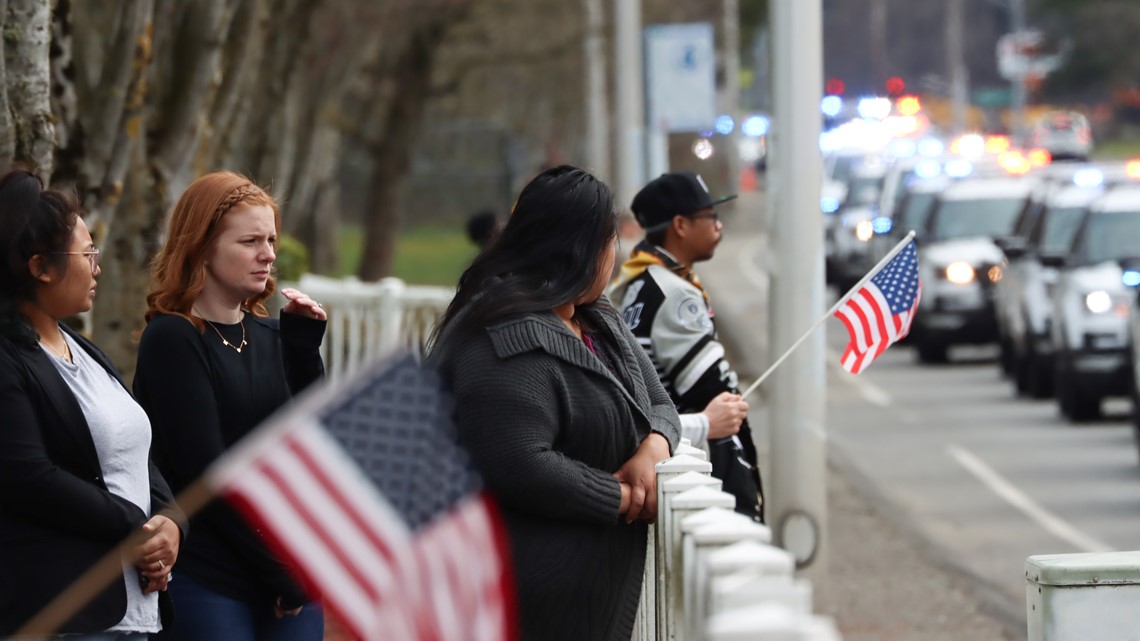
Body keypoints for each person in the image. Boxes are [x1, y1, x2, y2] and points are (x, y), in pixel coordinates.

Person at [428, 165, 681, 641]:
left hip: (587, 594)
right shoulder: (501, 332)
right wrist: (623, 498)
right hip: (517, 599)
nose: (614, 256)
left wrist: (654, 449)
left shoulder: (597, 318)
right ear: (582, 247)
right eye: (610, 242)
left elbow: (660, 404)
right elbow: (519, 460)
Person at [133, 171, 327, 641]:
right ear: (201, 246)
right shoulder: (174, 338)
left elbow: (314, 444)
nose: (269, 254)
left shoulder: (273, 335)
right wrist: (280, 571)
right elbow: (207, 474)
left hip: (285, 566)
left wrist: (304, 351)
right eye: (250, 241)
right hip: (211, 570)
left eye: (271, 240)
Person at [0, 168, 184, 638]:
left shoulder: (83, 348)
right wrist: (135, 527)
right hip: (64, 612)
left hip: (134, 610)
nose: (97, 265)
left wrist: (169, 522)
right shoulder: (9, 358)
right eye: (87, 253)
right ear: (40, 267)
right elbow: (28, 476)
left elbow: (135, 450)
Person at [608, 171, 765, 523]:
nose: (719, 226)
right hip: (692, 468)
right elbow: (717, 398)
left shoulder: (636, 282)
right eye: (710, 217)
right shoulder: (674, 293)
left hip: (662, 456)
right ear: (680, 225)